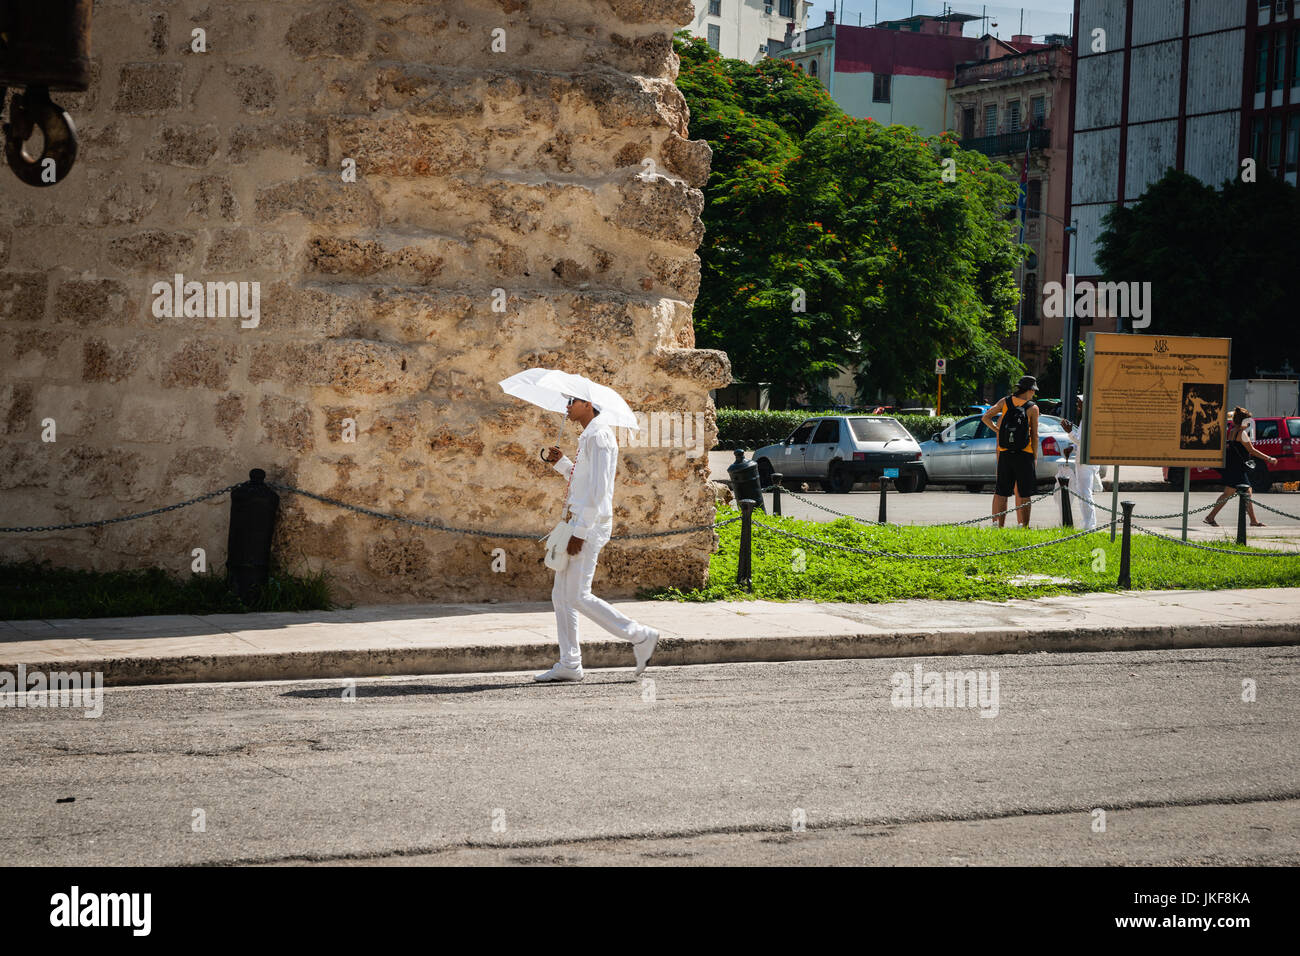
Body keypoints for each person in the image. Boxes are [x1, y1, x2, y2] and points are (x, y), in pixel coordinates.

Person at [534, 393, 660, 682]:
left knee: (577, 595)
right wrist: (562, 463)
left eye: (571, 402)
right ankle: (570, 663)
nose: (566, 407)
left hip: (587, 527)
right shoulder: (588, 436)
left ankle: (640, 636)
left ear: (588, 405)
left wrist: (580, 533)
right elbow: (583, 482)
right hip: (575, 522)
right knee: (561, 596)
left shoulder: (600, 436)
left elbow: (599, 491)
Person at [981, 375, 1040, 528]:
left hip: (1005, 452)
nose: (1034, 393)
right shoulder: (1032, 408)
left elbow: (986, 417)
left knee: (1002, 492)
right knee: (1024, 492)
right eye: (1033, 391)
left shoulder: (1005, 402)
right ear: (1029, 390)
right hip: (1024, 453)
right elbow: (1034, 434)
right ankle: (1024, 526)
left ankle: (999, 525)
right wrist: (1034, 456)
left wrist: (997, 430)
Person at [1204, 406, 1277, 528]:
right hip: (1237, 469)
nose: (1250, 423)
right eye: (1248, 420)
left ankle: (1211, 517)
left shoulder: (1233, 431)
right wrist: (1269, 458)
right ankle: (1252, 521)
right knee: (1242, 493)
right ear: (1244, 421)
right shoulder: (1242, 433)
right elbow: (1252, 451)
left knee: (1234, 493)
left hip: (1233, 467)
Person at [1060, 395, 1099, 531]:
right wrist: (1072, 447)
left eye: (1080, 404)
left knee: (1085, 493)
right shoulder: (1085, 420)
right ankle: (1087, 523)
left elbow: (1085, 443)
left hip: (1087, 462)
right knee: (1083, 493)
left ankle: (1090, 525)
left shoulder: (1091, 420)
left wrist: (1070, 433)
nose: (1078, 407)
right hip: (1082, 461)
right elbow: (1082, 443)